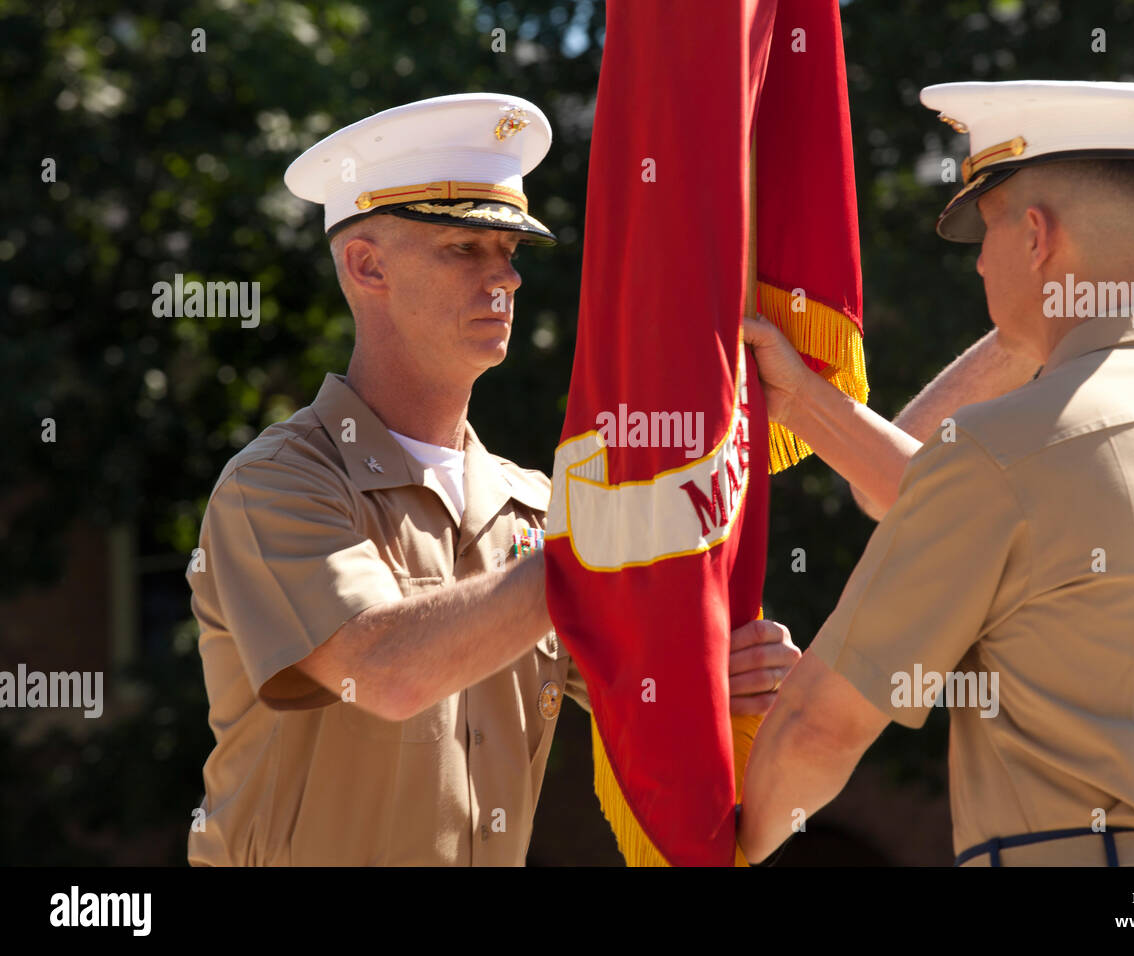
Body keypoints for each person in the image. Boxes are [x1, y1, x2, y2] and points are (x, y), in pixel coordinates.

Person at [186, 93, 799, 866]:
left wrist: (738, 680)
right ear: (366, 264)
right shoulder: (277, 485)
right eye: (463, 250)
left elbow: (651, 703)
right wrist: (598, 547)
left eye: (509, 253)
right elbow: (386, 672)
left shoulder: (543, 509)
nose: (504, 278)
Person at [737, 80, 1134, 866]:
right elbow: (1013, 501)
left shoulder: (1015, 450)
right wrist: (1078, 306)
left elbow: (822, 728)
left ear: (1035, 234)